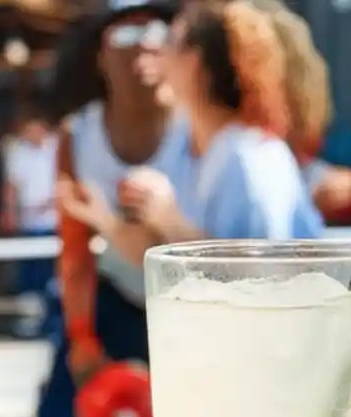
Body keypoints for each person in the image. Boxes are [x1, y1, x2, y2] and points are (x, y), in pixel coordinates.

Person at [15, 0, 188, 417]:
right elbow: (74, 251)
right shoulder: (80, 135)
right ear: (99, 57)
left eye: (157, 29)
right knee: (59, 397)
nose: (143, 46)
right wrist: (83, 336)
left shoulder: (198, 123)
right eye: (126, 34)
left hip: (185, 302)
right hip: (114, 288)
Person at [119, 0, 323, 242]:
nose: (157, 54)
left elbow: (260, 271)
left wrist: (168, 219)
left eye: (170, 42)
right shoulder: (185, 144)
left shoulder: (253, 159)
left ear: (194, 62)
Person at [2, 110, 59, 338]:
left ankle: (53, 323)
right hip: (29, 224)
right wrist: (9, 213)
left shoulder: (56, 147)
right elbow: (11, 186)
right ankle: (30, 323)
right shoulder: (18, 152)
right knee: (29, 275)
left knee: (52, 276)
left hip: (53, 223)